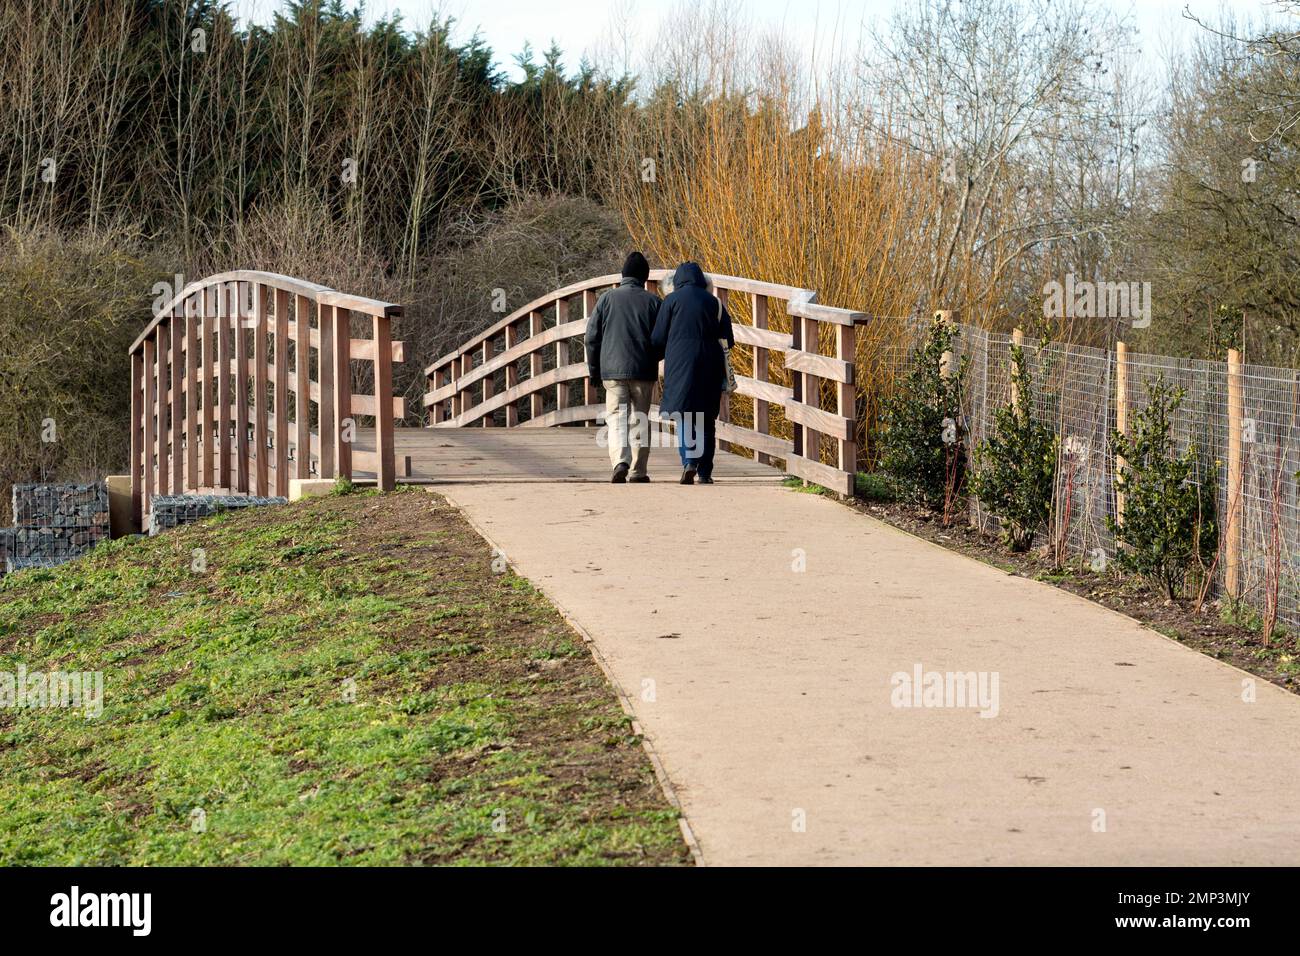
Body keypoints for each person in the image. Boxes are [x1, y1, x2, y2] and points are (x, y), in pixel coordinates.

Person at [651, 261, 734, 484]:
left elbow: (657, 338)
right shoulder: (714, 303)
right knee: (706, 419)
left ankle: (689, 461)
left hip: (679, 364)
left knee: (685, 414)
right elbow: (729, 339)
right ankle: (705, 473)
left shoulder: (671, 301)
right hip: (710, 364)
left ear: (677, 281)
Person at [585, 251, 661, 482]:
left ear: (623, 275)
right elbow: (661, 339)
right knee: (640, 417)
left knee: (617, 416)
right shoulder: (654, 301)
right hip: (643, 370)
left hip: (612, 370)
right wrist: (654, 358)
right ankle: (638, 471)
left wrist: (594, 370)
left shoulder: (607, 299)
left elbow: (591, 337)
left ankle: (620, 460)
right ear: (645, 277)